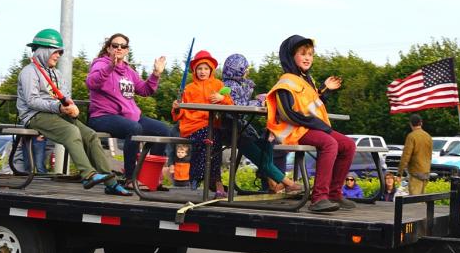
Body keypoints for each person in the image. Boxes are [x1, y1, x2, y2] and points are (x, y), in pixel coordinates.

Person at [15, 28, 131, 196]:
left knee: (91, 135)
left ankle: (110, 182)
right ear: (43, 51)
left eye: (60, 52)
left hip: (57, 113)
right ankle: (88, 175)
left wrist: (71, 106)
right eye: (56, 51)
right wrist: (59, 107)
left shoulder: (56, 73)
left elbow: (65, 95)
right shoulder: (29, 72)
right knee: (71, 131)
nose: (58, 56)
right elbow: (32, 101)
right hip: (35, 116)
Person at [265, 34, 355, 214]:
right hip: (295, 132)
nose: (308, 58)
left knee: (348, 145)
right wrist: (319, 125)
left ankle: (333, 193)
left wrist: (324, 89)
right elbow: (288, 114)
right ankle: (319, 199)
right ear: (291, 56)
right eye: (303, 53)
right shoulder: (286, 81)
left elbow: (313, 105)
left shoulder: (306, 80)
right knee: (330, 143)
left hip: (309, 128)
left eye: (311, 54)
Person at [86, 32, 173, 187]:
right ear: (108, 48)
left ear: (127, 50)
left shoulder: (128, 70)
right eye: (115, 45)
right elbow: (91, 83)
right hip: (103, 116)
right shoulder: (100, 64)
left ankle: (150, 177)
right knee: (134, 128)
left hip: (130, 117)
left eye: (123, 46)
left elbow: (145, 90)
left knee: (163, 130)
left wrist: (156, 74)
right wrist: (109, 67)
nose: (119, 48)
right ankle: (130, 177)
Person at [221, 53, 301, 195]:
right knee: (259, 155)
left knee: (265, 144)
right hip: (231, 131)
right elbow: (239, 106)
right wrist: (259, 101)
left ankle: (271, 182)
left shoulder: (237, 84)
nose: (247, 72)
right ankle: (286, 183)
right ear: (238, 70)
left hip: (241, 128)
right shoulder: (230, 86)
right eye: (245, 69)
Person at [173, 50, 232, 197]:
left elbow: (230, 103)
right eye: (199, 68)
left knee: (215, 146)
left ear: (211, 69)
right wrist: (176, 107)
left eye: (206, 68)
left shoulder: (218, 85)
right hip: (193, 126)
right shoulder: (189, 88)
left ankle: (212, 180)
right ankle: (202, 177)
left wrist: (221, 98)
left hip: (213, 126)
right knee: (207, 140)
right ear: (194, 70)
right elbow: (178, 114)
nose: (202, 71)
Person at [398, 113, 433, 195]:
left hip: (415, 173)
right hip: (426, 172)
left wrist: (399, 172)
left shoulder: (411, 136)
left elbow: (406, 156)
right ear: (421, 123)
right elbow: (430, 155)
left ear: (410, 124)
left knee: (415, 202)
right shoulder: (428, 136)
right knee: (422, 199)